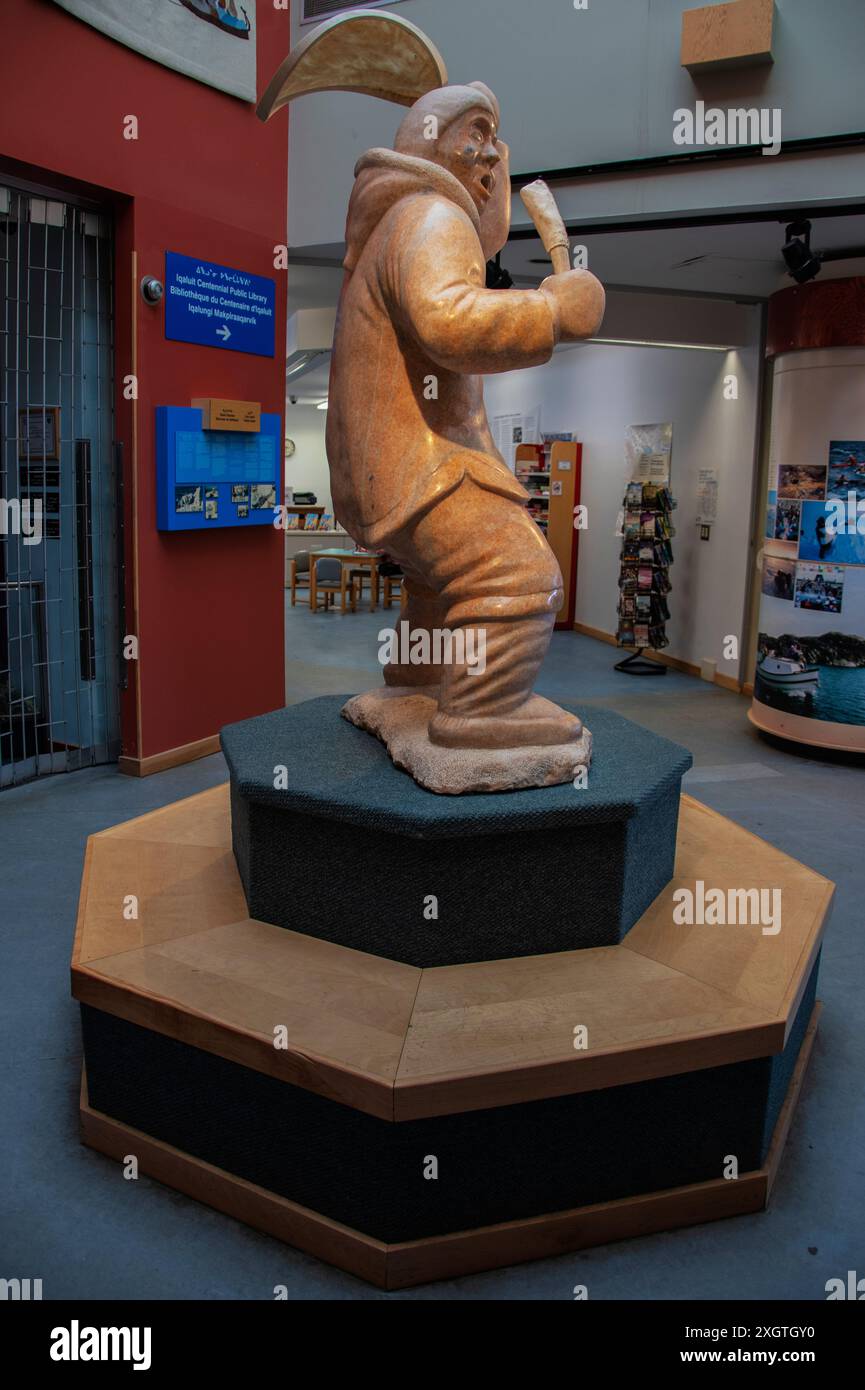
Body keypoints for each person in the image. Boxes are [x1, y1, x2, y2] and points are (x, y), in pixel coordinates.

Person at [327, 82, 605, 751]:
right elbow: (448, 323)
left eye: (493, 140)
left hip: (392, 466)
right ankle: (483, 710)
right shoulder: (430, 214)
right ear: (428, 145)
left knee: (434, 580)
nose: (487, 155)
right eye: (472, 135)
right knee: (513, 574)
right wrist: (553, 312)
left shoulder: (398, 220)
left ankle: (419, 675)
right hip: (420, 464)